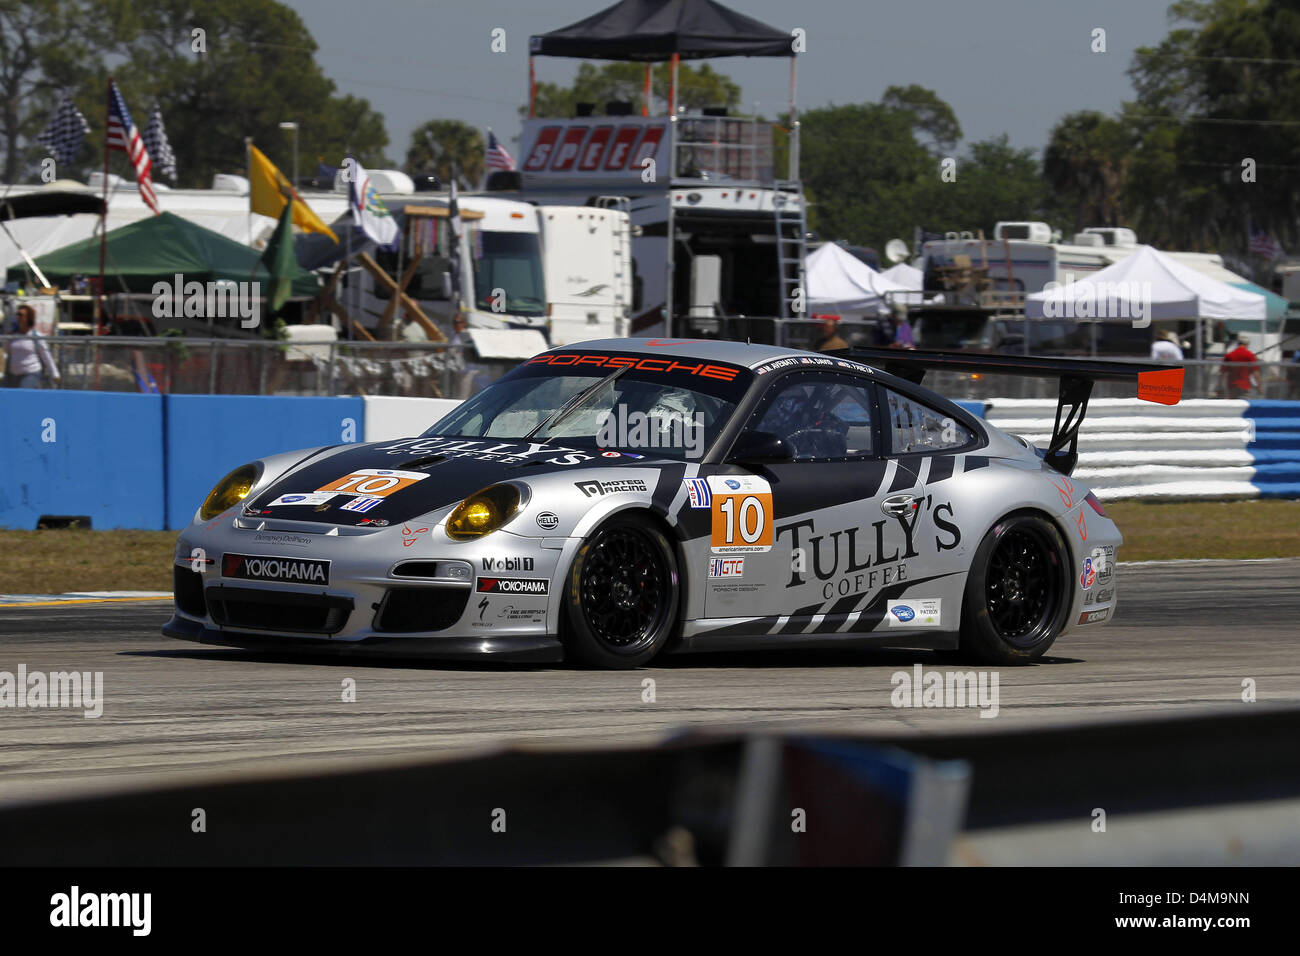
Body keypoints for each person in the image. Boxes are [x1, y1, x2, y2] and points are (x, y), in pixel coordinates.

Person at [3, 304, 61, 389]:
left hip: (30, 372)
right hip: (13, 374)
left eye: (21, 315)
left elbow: (46, 356)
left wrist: (55, 374)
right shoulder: (12, 336)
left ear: (28, 318)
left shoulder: (36, 336)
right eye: (17, 314)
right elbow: (6, 351)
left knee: (23, 396)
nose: (18, 317)